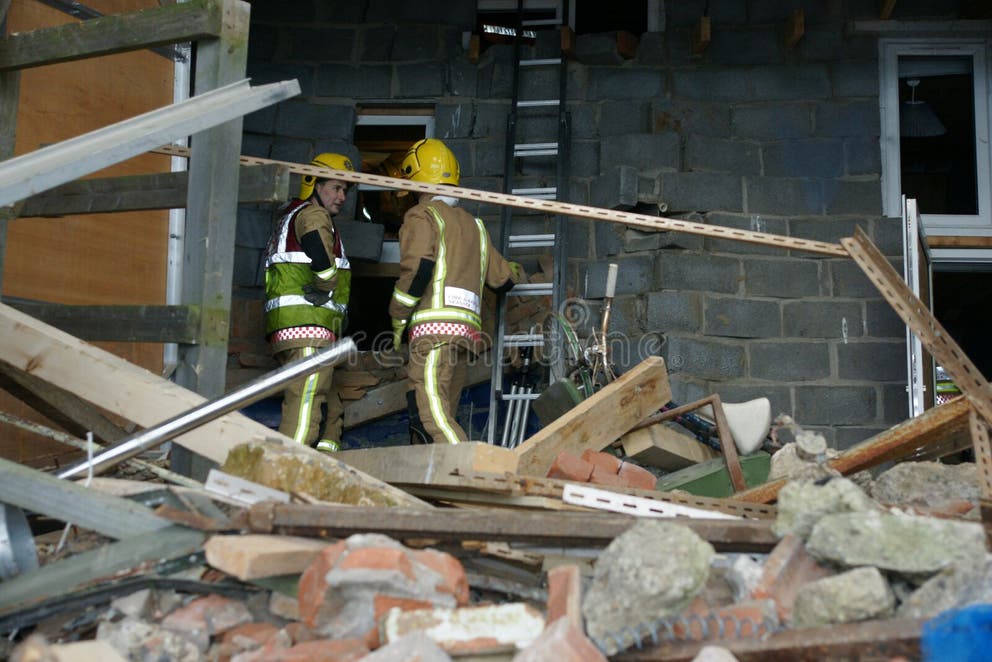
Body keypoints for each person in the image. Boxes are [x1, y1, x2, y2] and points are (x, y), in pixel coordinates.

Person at [390, 138, 524, 444]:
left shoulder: (421, 215)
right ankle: (440, 472)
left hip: (433, 331)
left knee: (431, 416)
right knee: (440, 411)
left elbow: (418, 270)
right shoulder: (475, 225)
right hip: (466, 335)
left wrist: (397, 317)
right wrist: (517, 269)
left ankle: (468, 465)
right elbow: (504, 279)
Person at [263, 152, 354, 453]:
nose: (342, 197)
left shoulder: (290, 217)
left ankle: (326, 460)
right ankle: (287, 465)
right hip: (307, 327)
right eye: (336, 188)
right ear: (313, 184)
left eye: (345, 190)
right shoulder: (313, 215)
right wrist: (327, 286)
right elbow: (319, 253)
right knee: (306, 405)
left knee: (329, 404)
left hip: (302, 329)